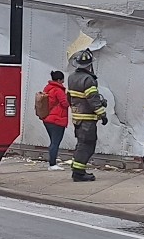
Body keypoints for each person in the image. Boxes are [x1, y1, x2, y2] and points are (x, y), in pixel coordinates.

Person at [65, 50, 107, 182]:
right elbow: (92, 99)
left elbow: (69, 97)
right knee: (87, 145)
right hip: (87, 119)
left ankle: (77, 169)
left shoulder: (71, 77)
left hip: (77, 118)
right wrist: (102, 114)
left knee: (81, 144)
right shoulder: (88, 79)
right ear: (89, 65)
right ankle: (79, 173)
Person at [36, 70, 71, 169]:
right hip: (57, 119)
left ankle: (52, 162)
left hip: (47, 119)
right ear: (59, 80)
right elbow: (65, 104)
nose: (63, 82)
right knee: (55, 142)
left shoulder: (47, 88)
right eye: (62, 80)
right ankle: (52, 164)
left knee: (53, 142)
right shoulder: (58, 90)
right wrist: (69, 97)